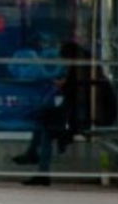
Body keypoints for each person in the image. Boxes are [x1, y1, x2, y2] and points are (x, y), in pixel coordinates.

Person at [11, 40, 101, 186]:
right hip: (79, 113)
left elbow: (76, 97)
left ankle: (40, 168)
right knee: (43, 120)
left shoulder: (80, 71)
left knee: (47, 128)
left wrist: (63, 86)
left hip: (84, 116)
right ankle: (34, 157)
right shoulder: (84, 69)